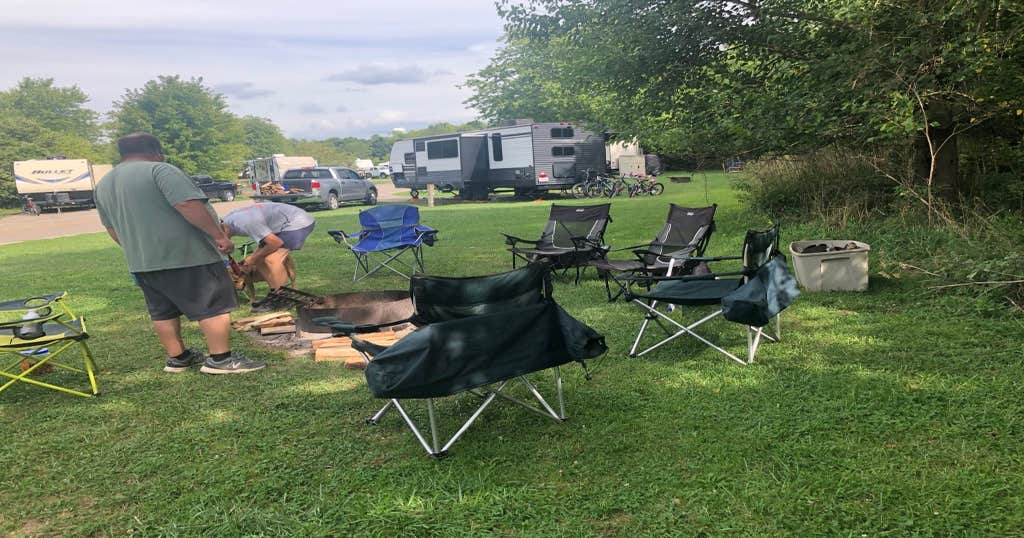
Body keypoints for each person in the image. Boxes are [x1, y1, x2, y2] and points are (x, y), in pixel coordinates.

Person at [95, 132, 265, 374]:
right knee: (213, 304)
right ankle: (220, 359)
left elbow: (112, 228)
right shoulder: (160, 170)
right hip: (187, 256)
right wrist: (219, 236)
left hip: (142, 262)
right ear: (156, 150)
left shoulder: (104, 184)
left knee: (162, 310)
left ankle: (178, 358)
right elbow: (187, 204)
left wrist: (136, 249)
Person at [220, 202, 315, 306]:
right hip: (278, 228)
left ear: (221, 230)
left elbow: (276, 243)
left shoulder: (246, 223)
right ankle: (274, 294)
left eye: (218, 242)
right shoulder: (228, 221)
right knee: (259, 260)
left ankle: (282, 299)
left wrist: (252, 258)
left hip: (297, 222)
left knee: (273, 259)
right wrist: (254, 258)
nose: (219, 245)